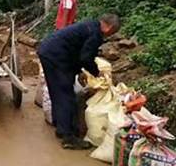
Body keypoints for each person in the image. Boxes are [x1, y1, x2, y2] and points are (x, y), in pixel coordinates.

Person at [37, 14, 121, 150]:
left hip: (50, 52)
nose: (110, 36)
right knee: (66, 95)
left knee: (58, 92)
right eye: (112, 32)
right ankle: (68, 137)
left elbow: (76, 52)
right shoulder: (95, 34)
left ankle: (61, 127)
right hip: (56, 56)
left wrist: (79, 71)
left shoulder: (90, 26)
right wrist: (96, 72)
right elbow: (86, 57)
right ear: (109, 27)